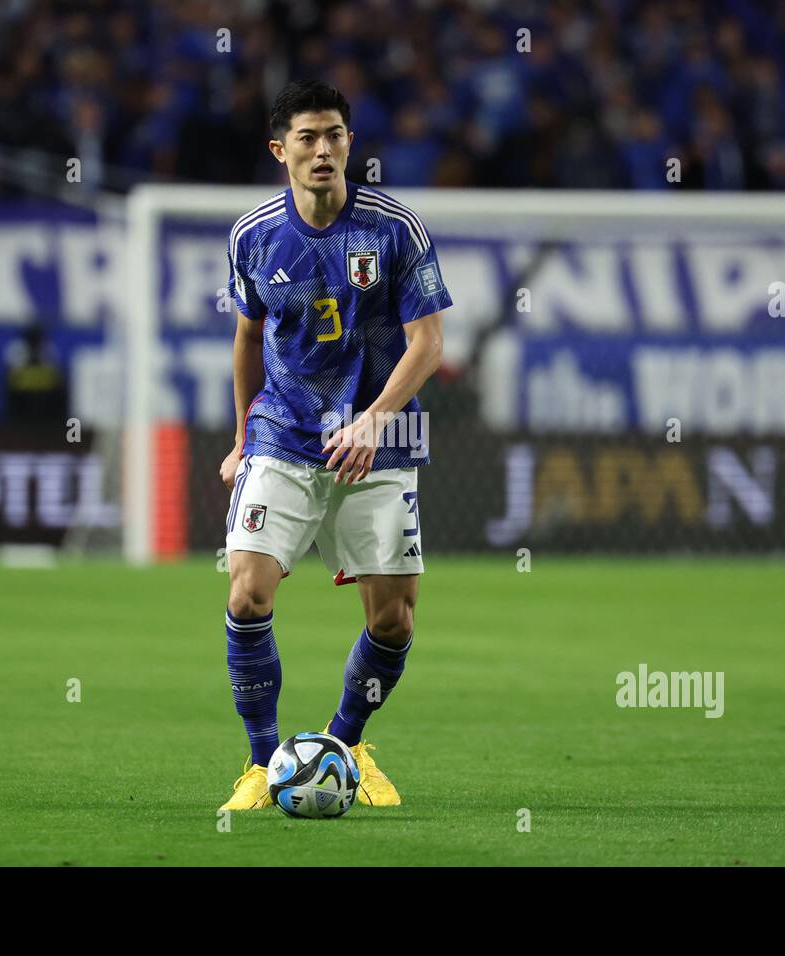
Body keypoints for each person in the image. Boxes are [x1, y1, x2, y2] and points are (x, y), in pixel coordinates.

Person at [217, 80, 452, 809]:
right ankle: (263, 765)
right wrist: (238, 438)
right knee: (248, 593)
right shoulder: (253, 235)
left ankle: (346, 744)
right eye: (309, 138)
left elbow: (430, 343)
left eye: (336, 136)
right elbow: (248, 337)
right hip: (283, 435)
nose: (324, 150)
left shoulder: (394, 229)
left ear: (351, 143)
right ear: (279, 148)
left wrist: (377, 416)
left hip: (376, 443)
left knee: (393, 619)